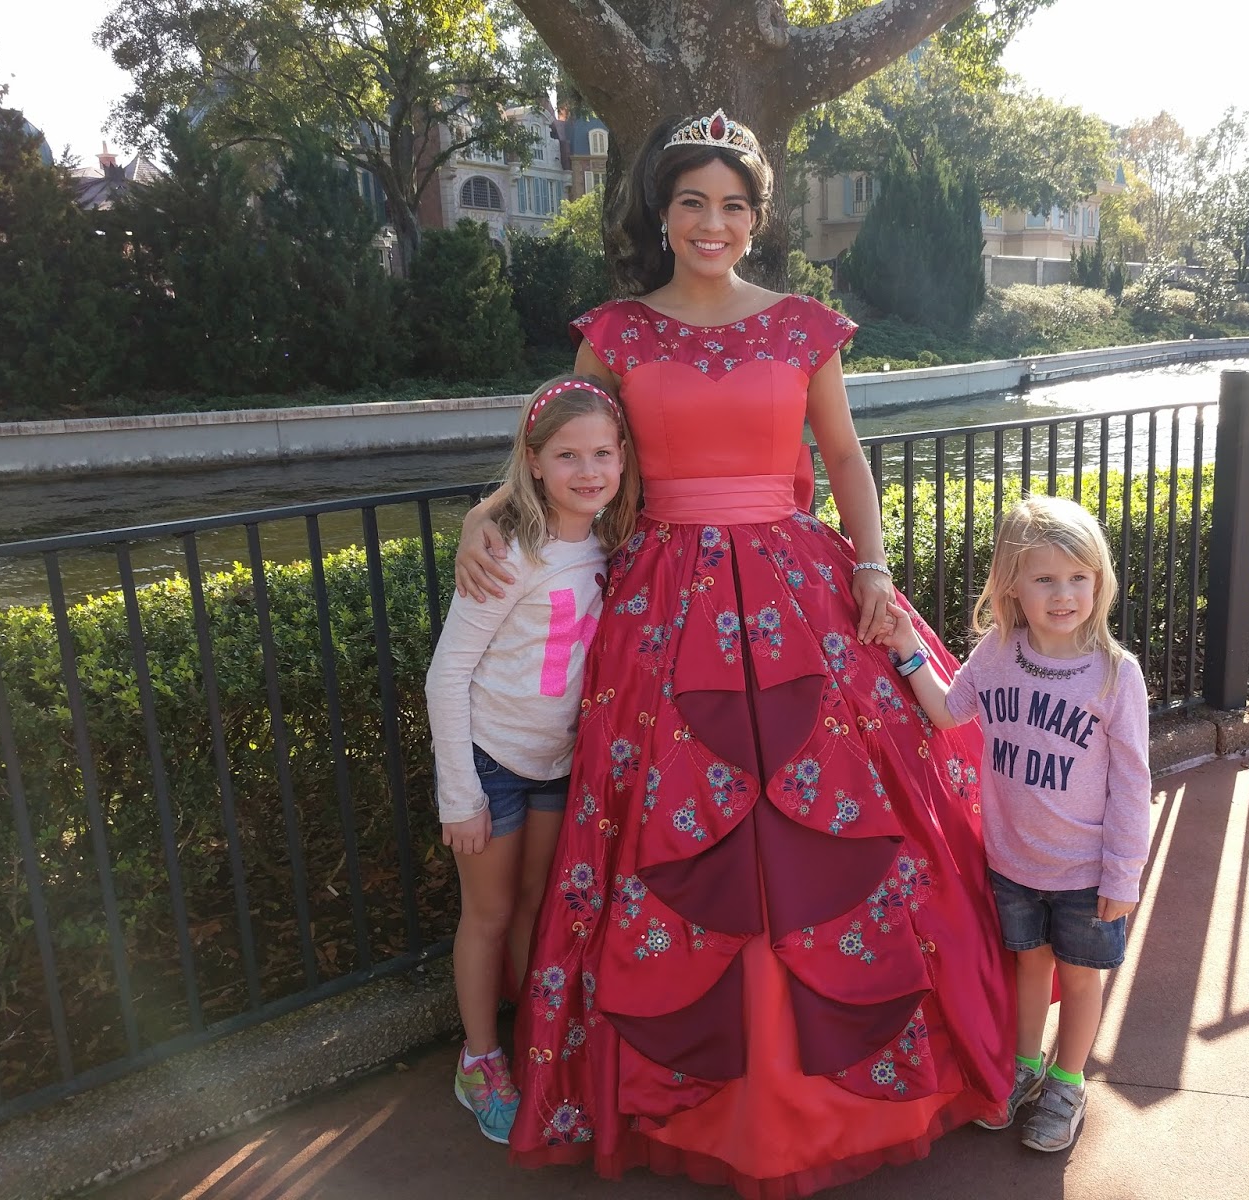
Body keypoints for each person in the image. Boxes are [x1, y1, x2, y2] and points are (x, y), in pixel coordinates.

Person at [453, 109, 1012, 1195]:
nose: (713, 223)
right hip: (660, 606)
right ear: (661, 214)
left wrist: (872, 568)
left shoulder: (806, 327)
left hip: (801, 592)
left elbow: (842, 457)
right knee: (677, 831)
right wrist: (488, 511)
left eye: (733, 205)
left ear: (757, 220)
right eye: (692, 203)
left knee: (837, 822)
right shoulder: (615, 332)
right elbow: (560, 444)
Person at [880, 493, 1152, 1153]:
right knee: (1030, 965)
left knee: (1080, 976)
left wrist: (1123, 873)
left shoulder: (1116, 675)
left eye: (1078, 577)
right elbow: (949, 712)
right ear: (1012, 585)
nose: (1064, 594)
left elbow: (1132, 784)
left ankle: (1068, 1081)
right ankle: (1026, 1066)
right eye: (1045, 578)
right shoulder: (998, 651)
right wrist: (908, 649)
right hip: (1011, 863)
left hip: (1085, 870)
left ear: (1099, 580)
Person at [425, 375, 640, 1143]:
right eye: (568, 455)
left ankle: (531, 1046)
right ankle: (479, 1060)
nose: (588, 470)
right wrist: (460, 795)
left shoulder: (614, 542)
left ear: (623, 458)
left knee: (537, 907)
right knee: (488, 914)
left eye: (603, 453)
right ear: (536, 461)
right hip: (492, 765)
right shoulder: (507, 552)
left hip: (558, 766)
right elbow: (446, 675)